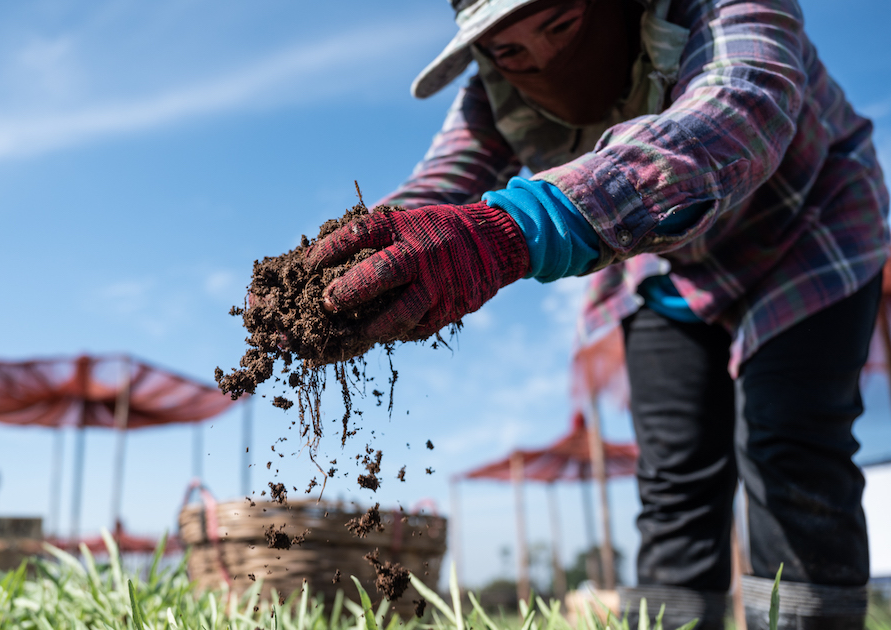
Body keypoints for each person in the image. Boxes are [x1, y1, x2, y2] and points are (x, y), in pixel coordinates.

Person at [304, 0, 888, 627]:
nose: (544, 62)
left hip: (809, 228)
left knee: (792, 448)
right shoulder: (496, 92)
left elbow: (738, 110)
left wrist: (518, 228)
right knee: (675, 476)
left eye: (560, 25)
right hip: (668, 260)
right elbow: (446, 180)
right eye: (511, 50)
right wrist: (340, 267)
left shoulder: (722, 10)